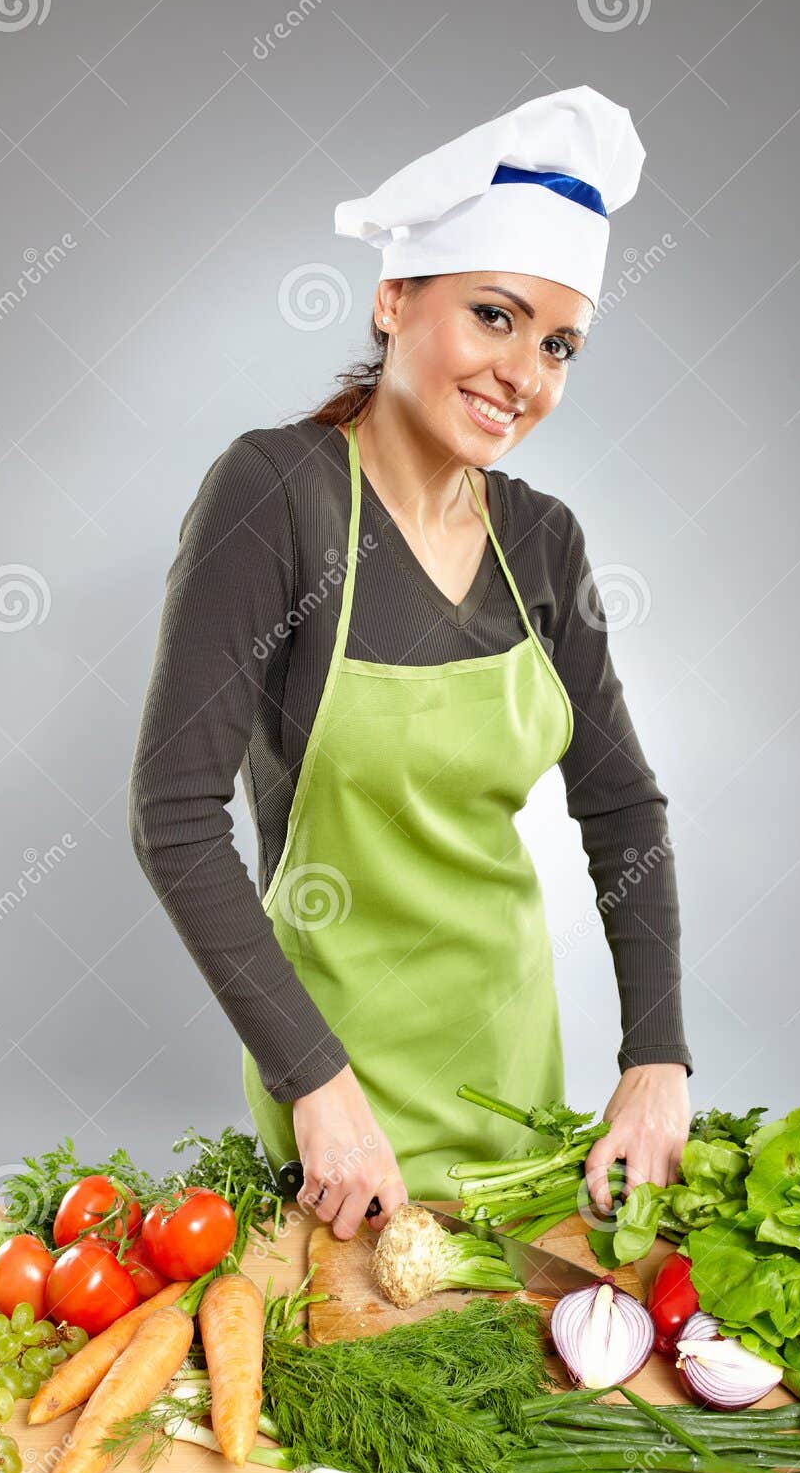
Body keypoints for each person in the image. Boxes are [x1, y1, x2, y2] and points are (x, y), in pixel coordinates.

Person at [128, 85, 693, 1240]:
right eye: (494, 315)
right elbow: (173, 816)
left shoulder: (541, 539)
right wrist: (314, 1085)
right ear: (393, 299)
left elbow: (622, 805)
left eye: (557, 343)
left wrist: (656, 1057)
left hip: (518, 1096)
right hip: (343, 1124)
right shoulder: (276, 495)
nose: (523, 373)